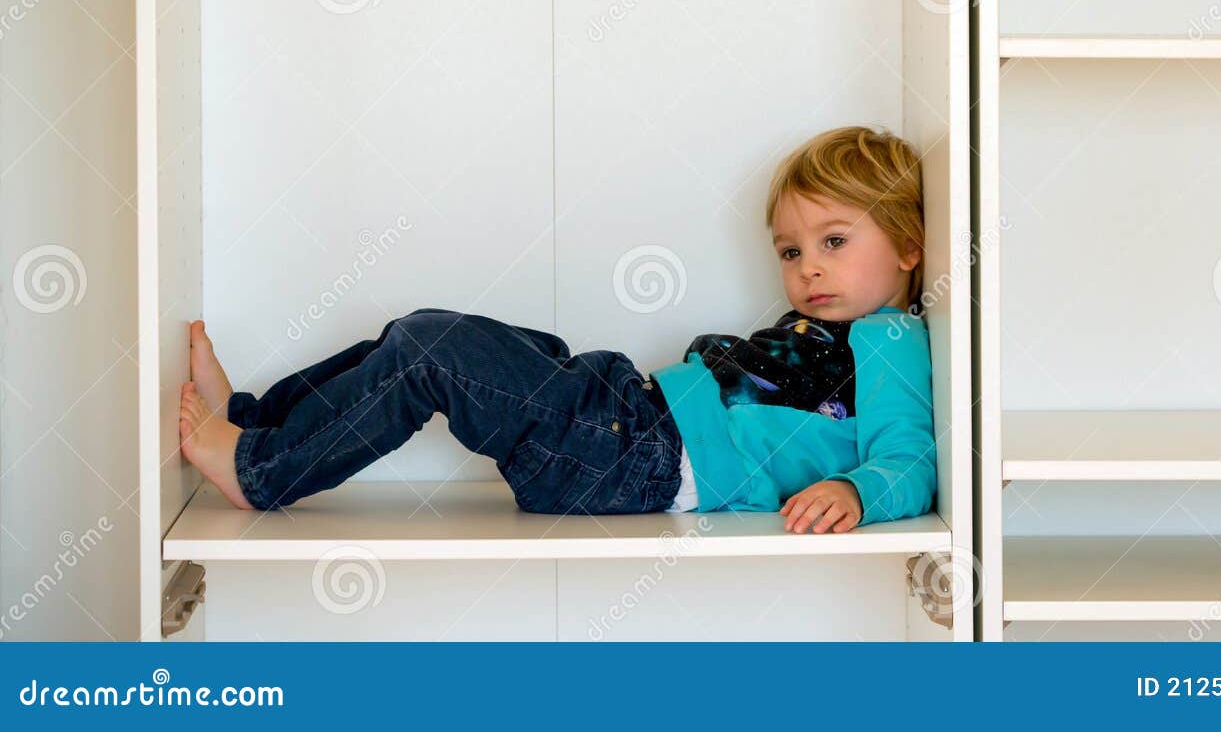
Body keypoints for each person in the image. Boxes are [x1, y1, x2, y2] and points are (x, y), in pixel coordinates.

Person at [177, 124, 937, 533]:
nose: (808, 268)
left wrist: (855, 491)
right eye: (791, 250)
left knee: (431, 349)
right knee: (418, 332)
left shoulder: (890, 337)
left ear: (908, 245)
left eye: (836, 241)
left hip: (637, 457)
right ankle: (253, 422)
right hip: (629, 417)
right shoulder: (834, 328)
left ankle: (261, 472)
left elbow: (911, 456)